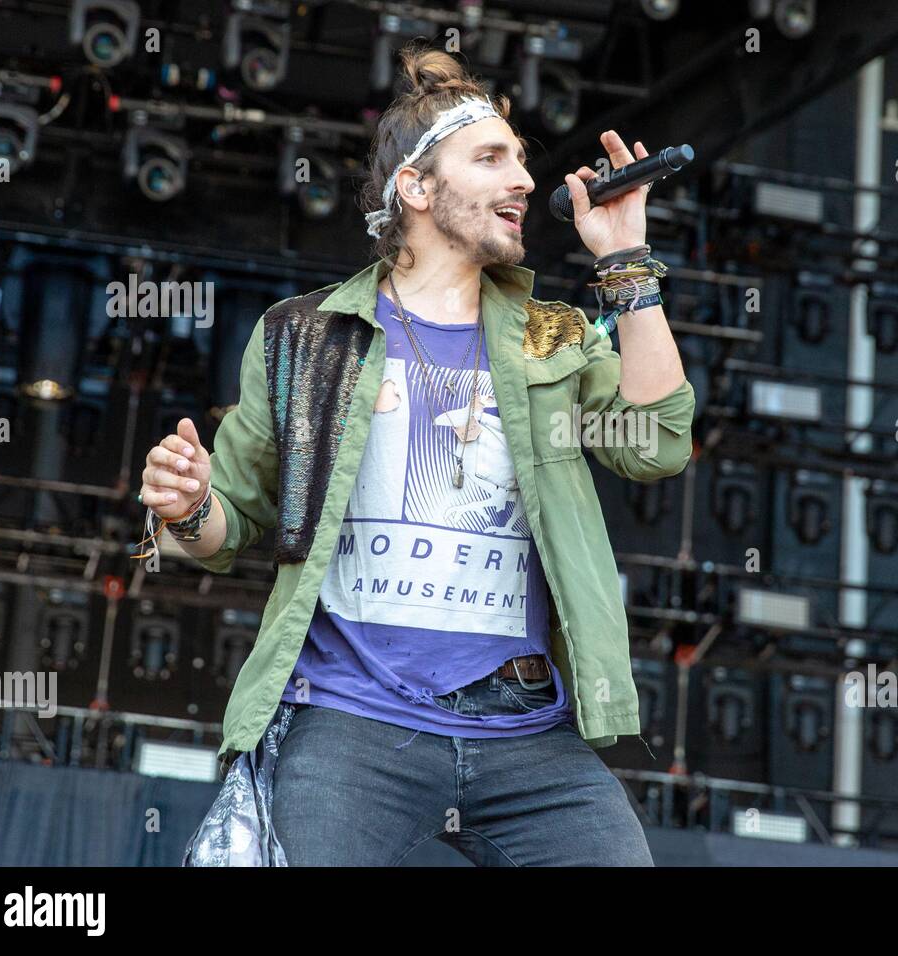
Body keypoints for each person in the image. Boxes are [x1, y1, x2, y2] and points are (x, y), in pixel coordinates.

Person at [144, 42, 695, 866]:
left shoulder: (555, 334)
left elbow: (656, 443)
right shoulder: (307, 336)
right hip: (350, 720)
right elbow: (232, 527)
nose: (524, 181)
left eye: (521, 160)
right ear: (416, 186)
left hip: (526, 732)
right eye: (492, 158)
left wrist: (623, 261)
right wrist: (189, 508)